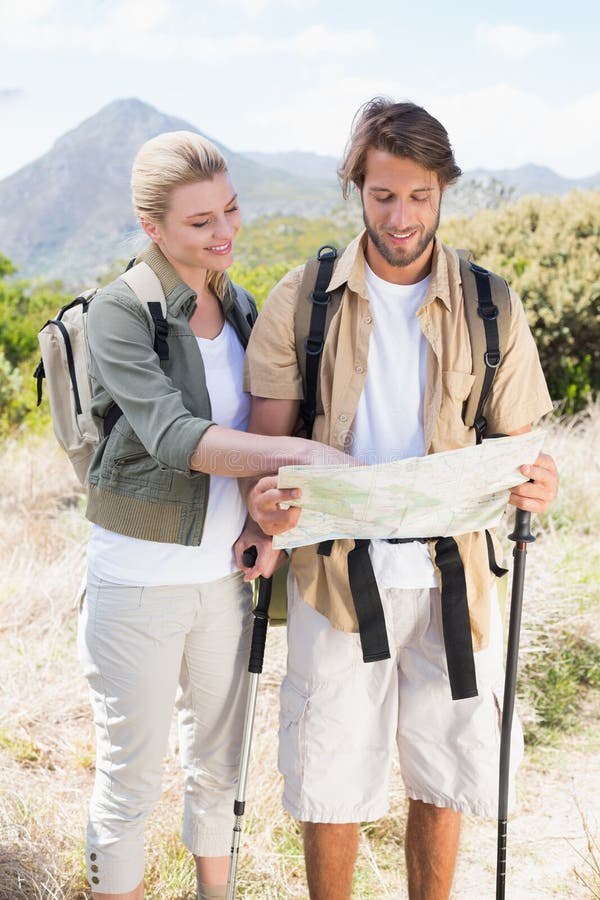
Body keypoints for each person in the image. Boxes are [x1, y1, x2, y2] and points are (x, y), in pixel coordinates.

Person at [241, 99, 559, 900]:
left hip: (460, 581)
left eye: (419, 195)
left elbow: (519, 447)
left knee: (444, 772)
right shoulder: (302, 297)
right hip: (336, 577)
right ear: (357, 189)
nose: (402, 214)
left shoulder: (493, 306)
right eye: (384, 194)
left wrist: (538, 483)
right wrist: (266, 505)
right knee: (331, 775)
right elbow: (267, 447)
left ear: (444, 191)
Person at [77, 130, 346, 900]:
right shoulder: (120, 311)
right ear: (151, 227)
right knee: (131, 780)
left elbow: (257, 427)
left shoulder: (240, 305)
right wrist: (300, 456)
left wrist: (263, 524)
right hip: (136, 587)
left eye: (229, 209)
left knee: (220, 769)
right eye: (200, 223)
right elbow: (173, 437)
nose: (224, 231)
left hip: (224, 582)